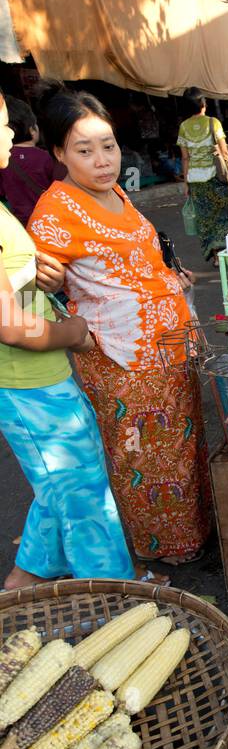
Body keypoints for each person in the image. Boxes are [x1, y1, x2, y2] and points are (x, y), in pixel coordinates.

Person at [29, 86, 212, 568]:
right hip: (122, 362)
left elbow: (136, 259)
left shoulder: (116, 193)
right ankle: (161, 547)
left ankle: (193, 533)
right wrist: (77, 332)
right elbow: (28, 296)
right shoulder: (53, 214)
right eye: (84, 150)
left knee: (183, 444)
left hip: (170, 349)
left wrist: (172, 278)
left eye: (107, 145)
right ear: (59, 153)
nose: (102, 160)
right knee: (145, 457)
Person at [0, 88, 136, 590]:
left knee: (63, 483)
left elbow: (16, 288)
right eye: (0, 125)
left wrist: (39, 280)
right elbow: (11, 326)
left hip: (44, 378)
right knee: (84, 497)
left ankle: (24, 578)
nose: (12, 134)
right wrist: (72, 331)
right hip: (25, 382)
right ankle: (114, 597)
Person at [177, 88, 228, 266]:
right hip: (216, 178)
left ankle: (216, 256)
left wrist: (186, 183)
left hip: (196, 181)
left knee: (205, 220)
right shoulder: (213, 123)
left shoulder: (183, 127)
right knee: (224, 214)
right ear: (203, 104)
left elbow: (185, 158)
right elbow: (225, 153)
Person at [0, 97, 58, 226]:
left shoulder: (3, 161)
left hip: (21, 224)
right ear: (33, 129)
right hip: (49, 219)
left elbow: (2, 191)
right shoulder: (46, 157)